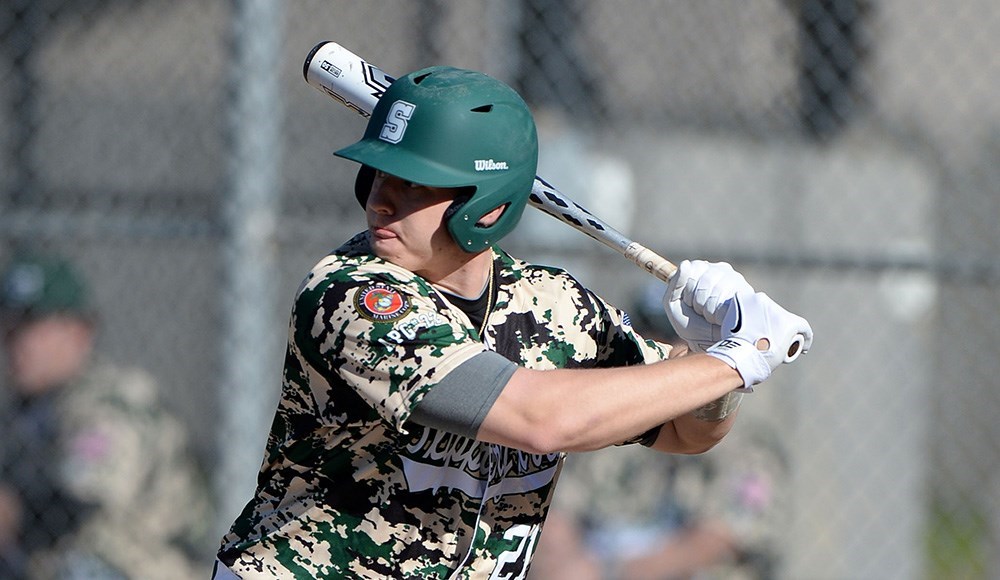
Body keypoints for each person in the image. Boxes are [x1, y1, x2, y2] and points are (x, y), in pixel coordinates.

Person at [214, 65, 812, 579]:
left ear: (489, 204)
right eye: (378, 175)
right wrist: (735, 358)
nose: (381, 199)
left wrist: (709, 366)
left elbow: (688, 434)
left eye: (415, 185)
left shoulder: (555, 307)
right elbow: (538, 419)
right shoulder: (351, 296)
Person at [527, 281, 790, 580]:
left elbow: (722, 536)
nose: (652, 347)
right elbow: (557, 510)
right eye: (642, 333)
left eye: (668, 337)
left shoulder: (743, 439)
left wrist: (613, 573)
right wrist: (570, 565)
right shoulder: (607, 418)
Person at [0, 250, 212, 579]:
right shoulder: (26, 412)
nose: (18, 343)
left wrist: (13, 511)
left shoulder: (108, 403)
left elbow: (73, 508)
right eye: (10, 326)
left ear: (80, 331)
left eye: (34, 326)